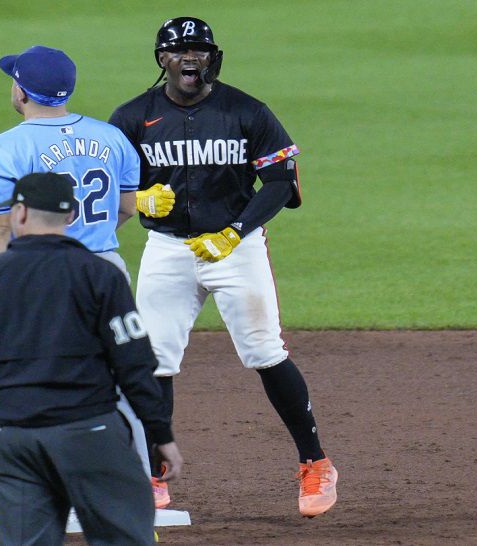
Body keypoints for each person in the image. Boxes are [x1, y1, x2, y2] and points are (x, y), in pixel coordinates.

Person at [0, 45, 150, 542]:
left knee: (16, 385)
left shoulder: (5, 146)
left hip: (35, 280)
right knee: (120, 384)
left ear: (20, 90)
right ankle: (138, 502)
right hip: (103, 269)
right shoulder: (112, 137)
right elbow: (126, 208)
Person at [109, 17, 339, 518]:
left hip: (239, 248)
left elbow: (281, 182)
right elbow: (105, 186)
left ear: (213, 56)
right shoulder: (131, 117)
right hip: (168, 251)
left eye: (200, 48)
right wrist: (138, 200)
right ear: (162, 59)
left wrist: (234, 231)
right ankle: (152, 476)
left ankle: (315, 463)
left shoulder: (247, 111)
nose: (192, 57)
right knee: (154, 362)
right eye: (180, 50)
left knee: (265, 351)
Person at [0, 171, 183, 545]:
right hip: (87, 431)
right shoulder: (100, 274)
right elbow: (134, 362)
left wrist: (1, 417)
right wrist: (161, 434)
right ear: (72, 217)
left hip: (12, 437)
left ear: (20, 213)